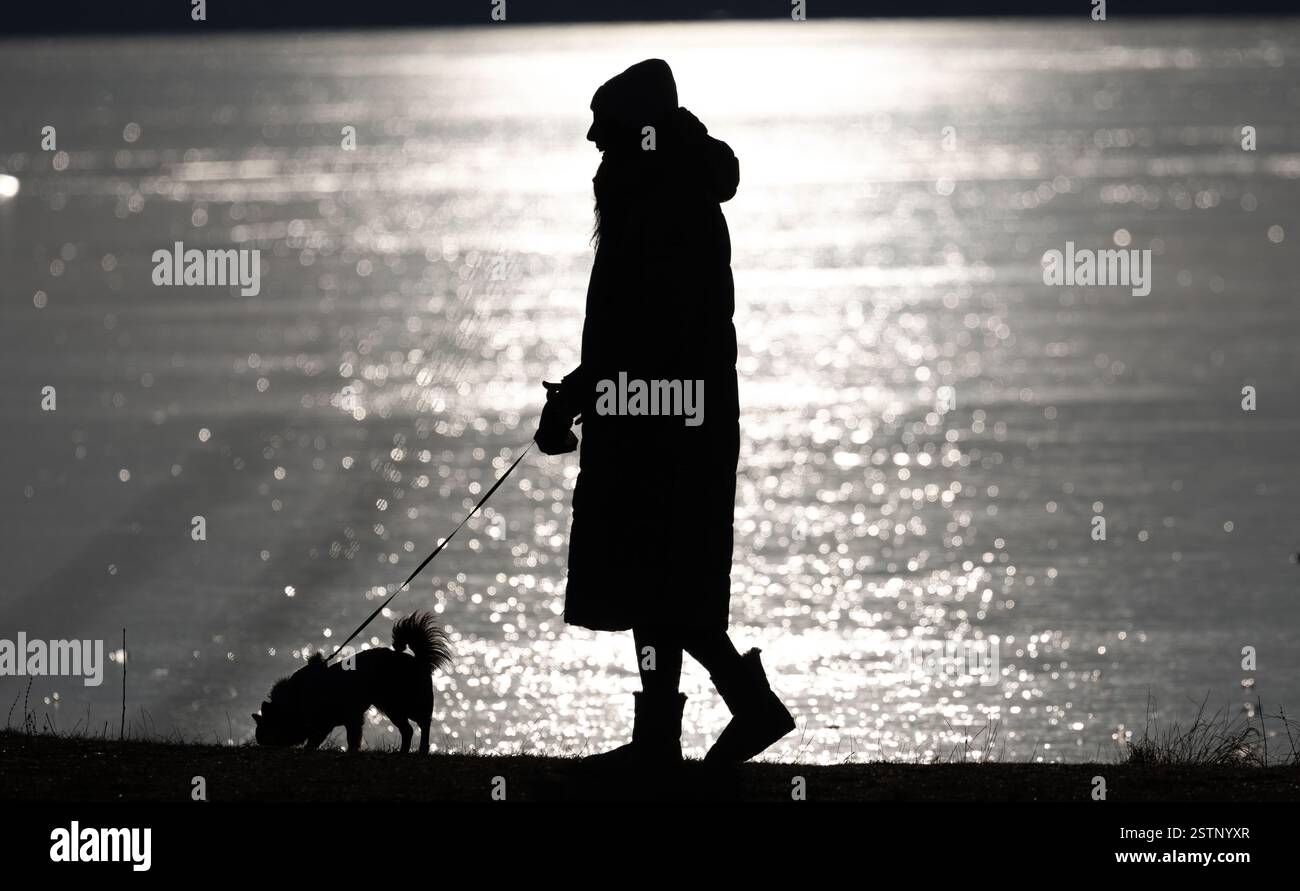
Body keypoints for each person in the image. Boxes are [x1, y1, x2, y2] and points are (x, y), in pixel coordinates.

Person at [535, 59, 794, 768]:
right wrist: (587, 389)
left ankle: (730, 711)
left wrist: (583, 392)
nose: (592, 138)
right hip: (667, 418)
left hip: (666, 426)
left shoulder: (657, 200)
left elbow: (651, 331)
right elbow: (644, 330)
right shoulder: (662, 191)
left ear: (637, 129)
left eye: (604, 124)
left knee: (661, 581)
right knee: (660, 583)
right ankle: (677, 731)